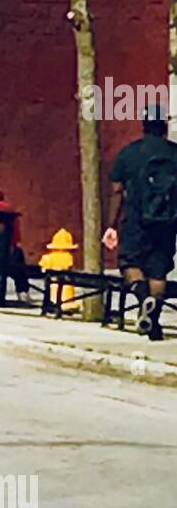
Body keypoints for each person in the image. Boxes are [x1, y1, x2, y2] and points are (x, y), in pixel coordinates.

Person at [104, 106, 177, 341]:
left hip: (136, 221)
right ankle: (153, 324)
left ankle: (142, 298)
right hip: (167, 223)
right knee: (158, 271)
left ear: (143, 124)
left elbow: (117, 191)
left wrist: (111, 224)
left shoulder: (129, 154)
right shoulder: (175, 153)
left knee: (129, 263)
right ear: (164, 124)